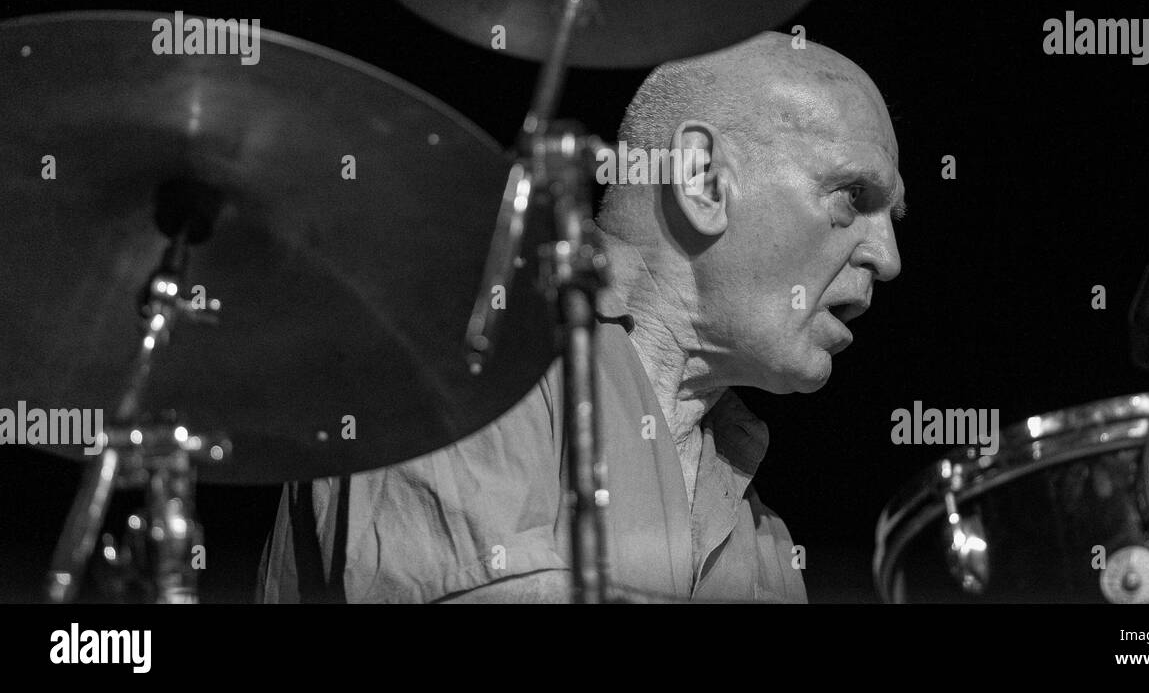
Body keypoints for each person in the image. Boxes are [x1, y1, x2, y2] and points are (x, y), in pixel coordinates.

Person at [257, 30, 904, 602]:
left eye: (892, 219)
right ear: (702, 180)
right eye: (854, 195)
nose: (887, 257)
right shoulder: (470, 350)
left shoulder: (762, 539)